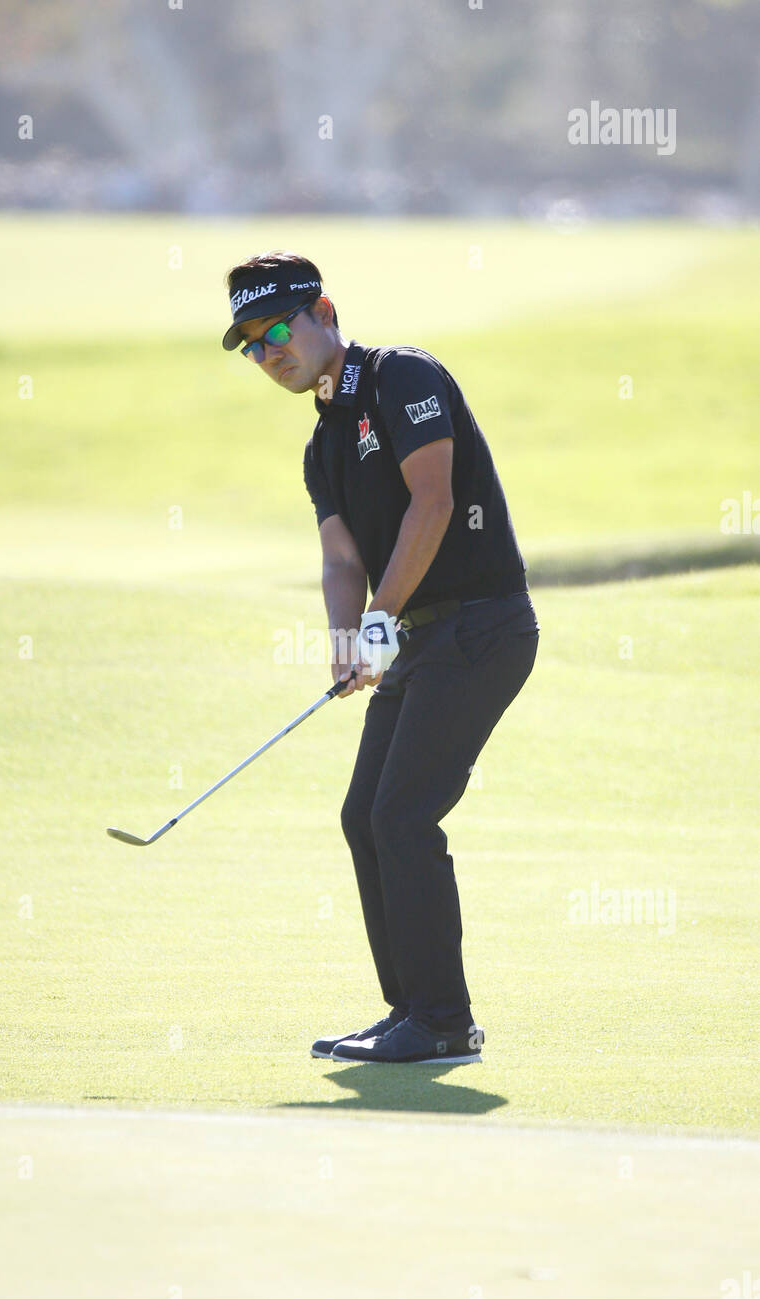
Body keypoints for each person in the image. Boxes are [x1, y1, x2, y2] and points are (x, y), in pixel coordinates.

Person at [221, 251, 539, 1064]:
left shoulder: (401, 377)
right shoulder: (321, 447)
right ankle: (411, 1012)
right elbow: (341, 560)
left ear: (323, 311)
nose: (268, 353)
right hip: (418, 640)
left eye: (276, 330)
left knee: (403, 815)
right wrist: (346, 639)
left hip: (480, 625)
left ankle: (442, 1021)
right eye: (251, 345)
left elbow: (433, 501)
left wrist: (380, 619)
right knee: (365, 816)